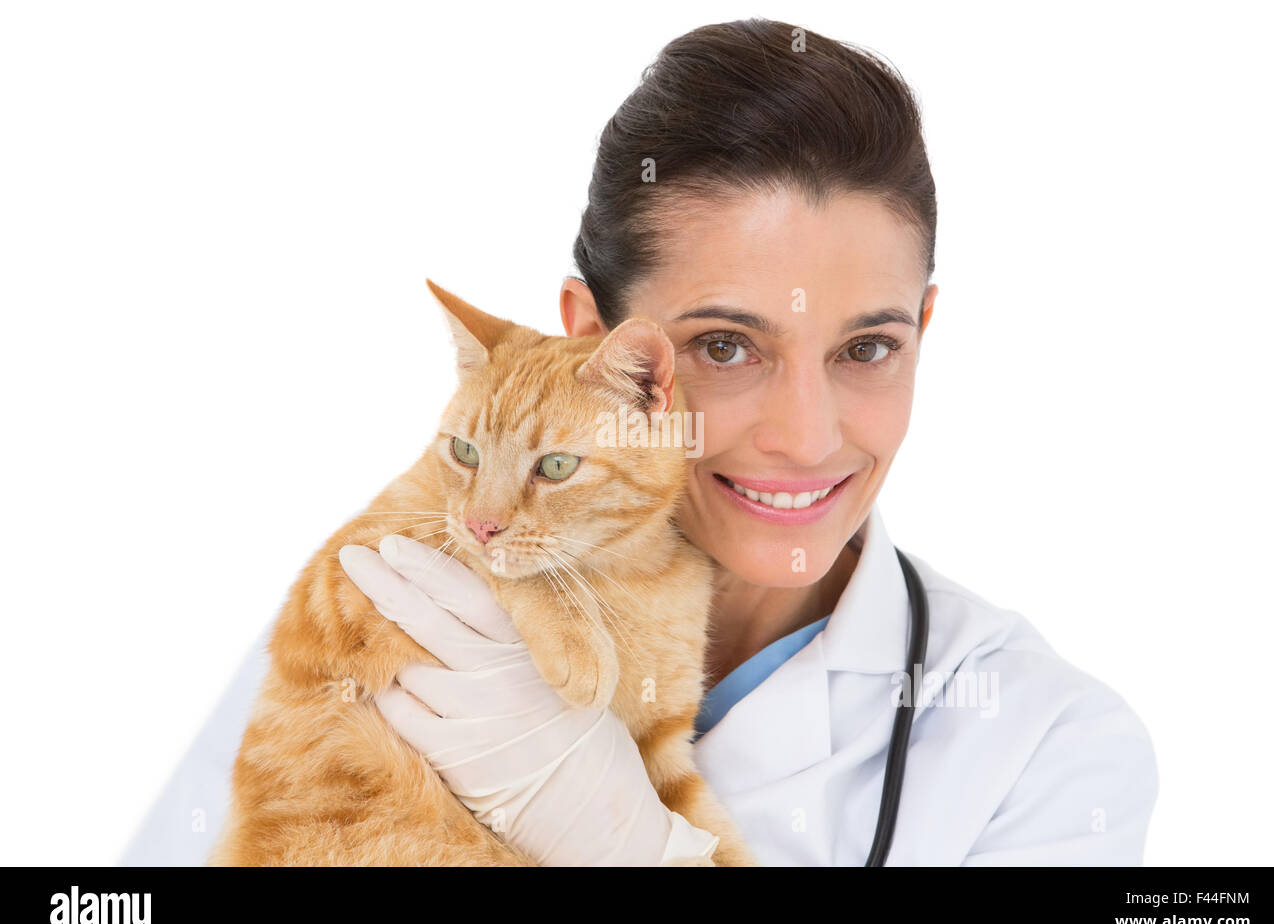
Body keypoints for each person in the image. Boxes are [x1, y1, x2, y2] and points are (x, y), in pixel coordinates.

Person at [121, 18, 1157, 867]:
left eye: (867, 347)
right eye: (722, 344)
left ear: (922, 334)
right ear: (587, 342)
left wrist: (629, 844)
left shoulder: (1039, 744)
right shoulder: (387, 603)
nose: (804, 435)